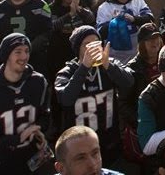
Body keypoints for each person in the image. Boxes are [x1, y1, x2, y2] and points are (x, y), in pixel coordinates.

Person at [0, 33, 53, 173]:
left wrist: (38, 129)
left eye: (26, 51)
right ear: (6, 55)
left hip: (33, 161)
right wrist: (16, 139)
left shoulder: (38, 82)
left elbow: (45, 116)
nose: (24, 56)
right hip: (2, 166)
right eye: (18, 52)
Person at [54, 25, 136, 165]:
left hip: (110, 142)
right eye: (87, 44)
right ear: (78, 48)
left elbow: (129, 82)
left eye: (96, 43)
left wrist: (108, 65)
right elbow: (66, 99)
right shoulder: (67, 72)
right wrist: (84, 67)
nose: (93, 48)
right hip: (80, 146)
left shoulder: (109, 65)